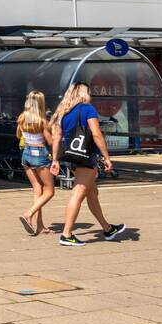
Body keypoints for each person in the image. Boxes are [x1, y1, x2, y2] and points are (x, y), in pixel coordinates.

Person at [48, 82, 126, 247]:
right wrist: (106, 157)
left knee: (92, 194)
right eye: (89, 92)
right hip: (86, 157)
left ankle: (107, 228)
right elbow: (96, 134)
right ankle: (66, 234)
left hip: (72, 157)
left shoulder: (64, 112)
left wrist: (55, 160)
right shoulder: (88, 109)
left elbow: (56, 137)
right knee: (78, 194)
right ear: (85, 94)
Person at [17, 90, 56, 236]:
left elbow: (18, 134)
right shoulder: (42, 121)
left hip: (26, 153)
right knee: (50, 191)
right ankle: (29, 214)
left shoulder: (22, 118)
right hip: (39, 154)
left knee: (37, 189)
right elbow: (50, 141)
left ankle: (39, 226)